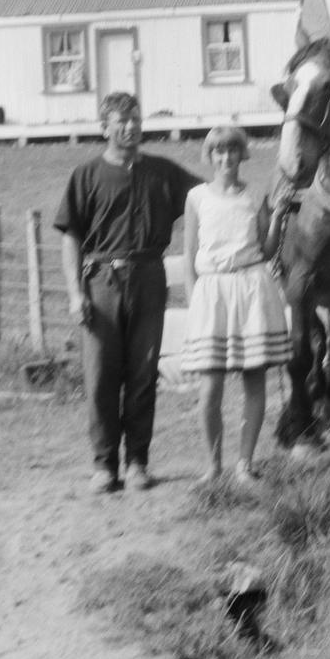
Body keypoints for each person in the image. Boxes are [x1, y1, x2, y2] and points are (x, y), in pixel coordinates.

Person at [54, 92, 201, 494]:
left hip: (149, 277)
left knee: (142, 373)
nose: (130, 127)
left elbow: (206, 199)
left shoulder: (162, 172)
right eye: (121, 120)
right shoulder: (86, 176)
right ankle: (104, 465)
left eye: (135, 119)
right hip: (101, 281)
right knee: (101, 375)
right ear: (104, 127)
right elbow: (71, 238)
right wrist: (75, 294)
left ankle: (138, 462)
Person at [180, 124, 290, 483]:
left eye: (232, 151)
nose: (226, 158)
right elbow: (189, 253)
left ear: (242, 154)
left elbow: (269, 249)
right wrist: (194, 297)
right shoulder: (197, 196)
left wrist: (277, 216)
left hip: (251, 289)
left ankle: (245, 463)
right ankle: (213, 465)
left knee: (253, 381)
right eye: (218, 152)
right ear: (210, 156)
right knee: (210, 388)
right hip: (213, 293)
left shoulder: (254, 194)